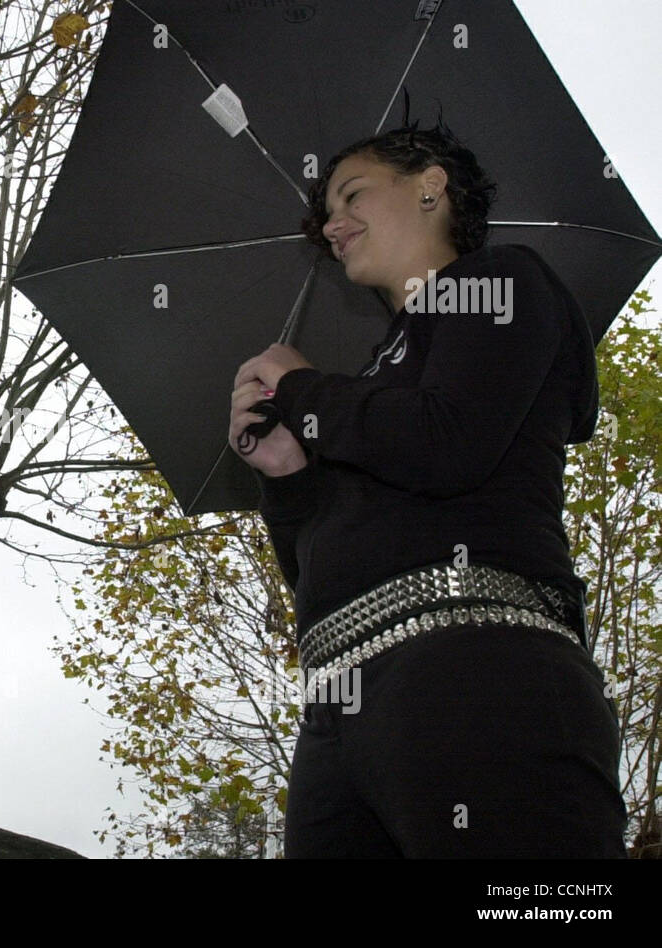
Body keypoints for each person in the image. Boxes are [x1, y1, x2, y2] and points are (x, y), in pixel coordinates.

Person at [228, 120, 628, 857]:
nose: (333, 224)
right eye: (325, 215)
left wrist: (306, 388)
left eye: (352, 195)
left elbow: (450, 444)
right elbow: (317, 575)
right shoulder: (373, 382)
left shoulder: (499, 283)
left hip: (477, 675)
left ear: (431, 186)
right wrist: (286, 477)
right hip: (338, 717)